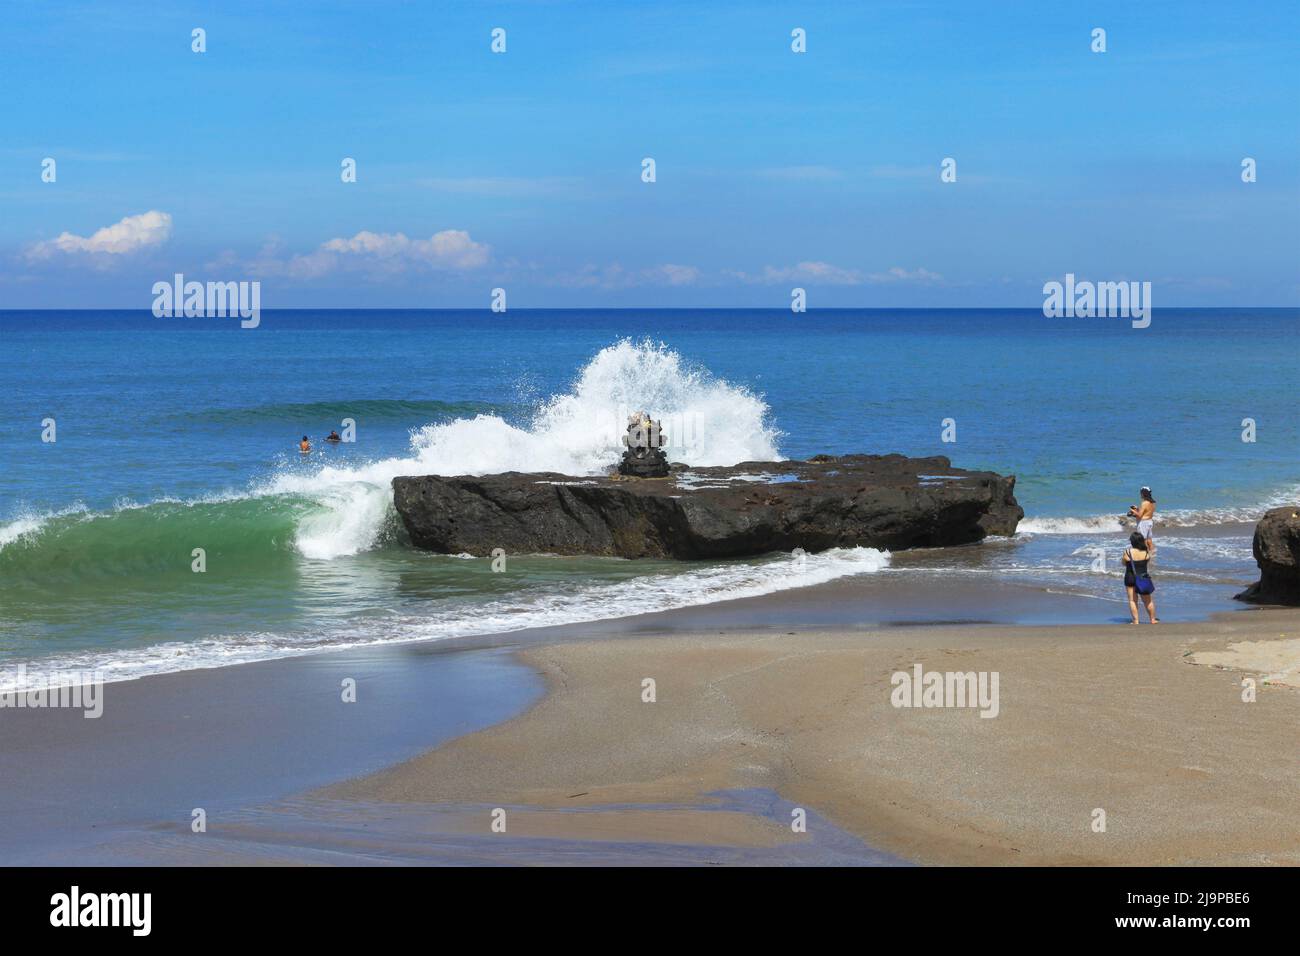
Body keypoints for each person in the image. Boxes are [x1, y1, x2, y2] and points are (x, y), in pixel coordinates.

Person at [1122, 531, 1158, 625]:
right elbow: (1147, 561)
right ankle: (1152, 619)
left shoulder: (1128, 551)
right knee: (1148, 601)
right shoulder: (1146, 553)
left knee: (1133, 600)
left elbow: (1123, 563)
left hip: (1130, 577)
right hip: (1143, 578)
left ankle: (1136, 621)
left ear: (1132, 542)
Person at [1128, 486, 1155, 551]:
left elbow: (1139, 515)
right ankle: (1152, 554)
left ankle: (1145, 555)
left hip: (1143, 523)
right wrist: (1137, 508)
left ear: (1143, 494)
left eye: (1141, 493)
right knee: (1149, 540)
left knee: (1143, 540)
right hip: (1150, 521)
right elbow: (1147, 512)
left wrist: (1132, 510)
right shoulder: (1153, 502)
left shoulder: (1144, 503)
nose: (1140, 494)